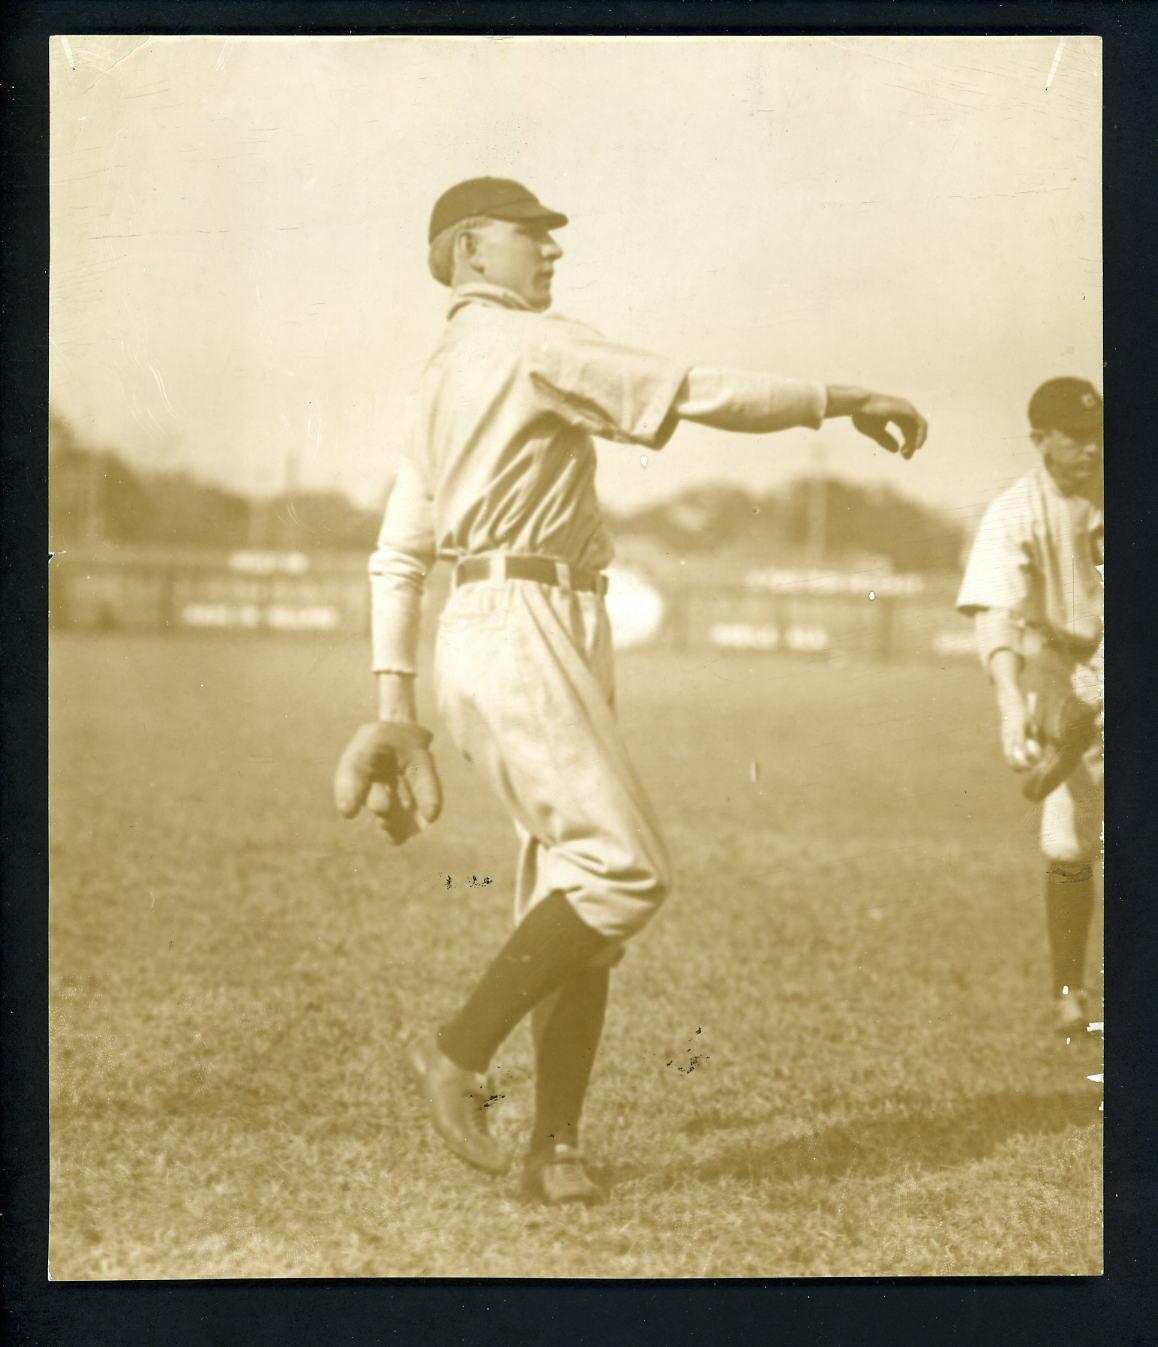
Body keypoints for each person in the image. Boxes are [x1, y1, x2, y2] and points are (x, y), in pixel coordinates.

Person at [335, 176, 928, 1203]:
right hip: (526, 625)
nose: (552, 254)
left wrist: (397, 706)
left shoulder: (439, 375)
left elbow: (398, 554)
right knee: (624, 871)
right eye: (534, 238)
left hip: (503, 628)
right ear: (472, 249)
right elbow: (692, 388)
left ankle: (552, 1149)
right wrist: (840, 398)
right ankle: (455, 1051)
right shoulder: (529, 343)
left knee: (573, 892)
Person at [956, 377, 1104, 1040]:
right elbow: (995, 610)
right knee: (1068, 843)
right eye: (1077, 438)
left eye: (1099, 436)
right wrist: (1012, 704)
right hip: (1067, 671)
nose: (1092, 450)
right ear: (1040, 439)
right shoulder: (1016, 511)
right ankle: (1069, 988)